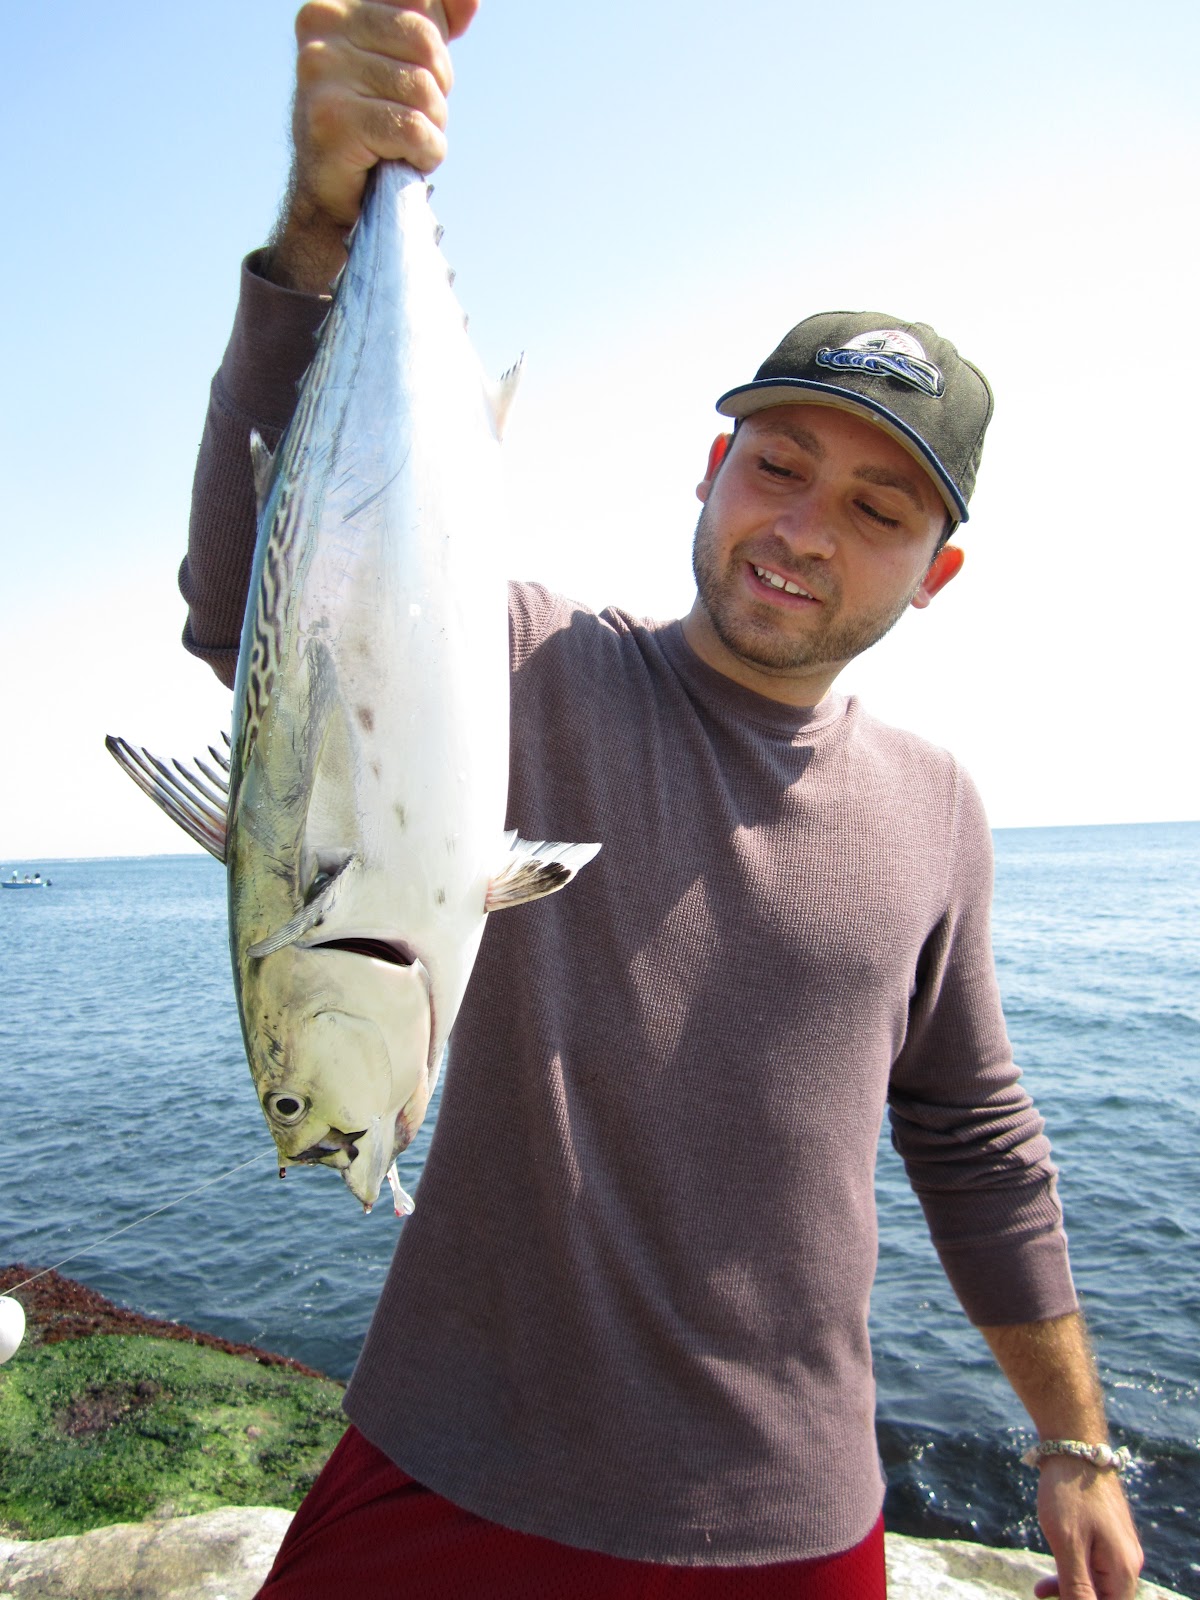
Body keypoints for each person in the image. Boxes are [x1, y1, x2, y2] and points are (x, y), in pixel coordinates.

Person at [179, 3, 1144, 1595]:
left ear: (939, 567)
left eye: (878, 505)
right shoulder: (527, 671)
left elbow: (974, 1139)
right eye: (777, 465)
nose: (806, 528)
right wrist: (315, 228)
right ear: (710, 471)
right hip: (445, 1457)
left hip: (787, 1520)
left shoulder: (938, 808)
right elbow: (260, 616)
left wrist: (1073, 1443)